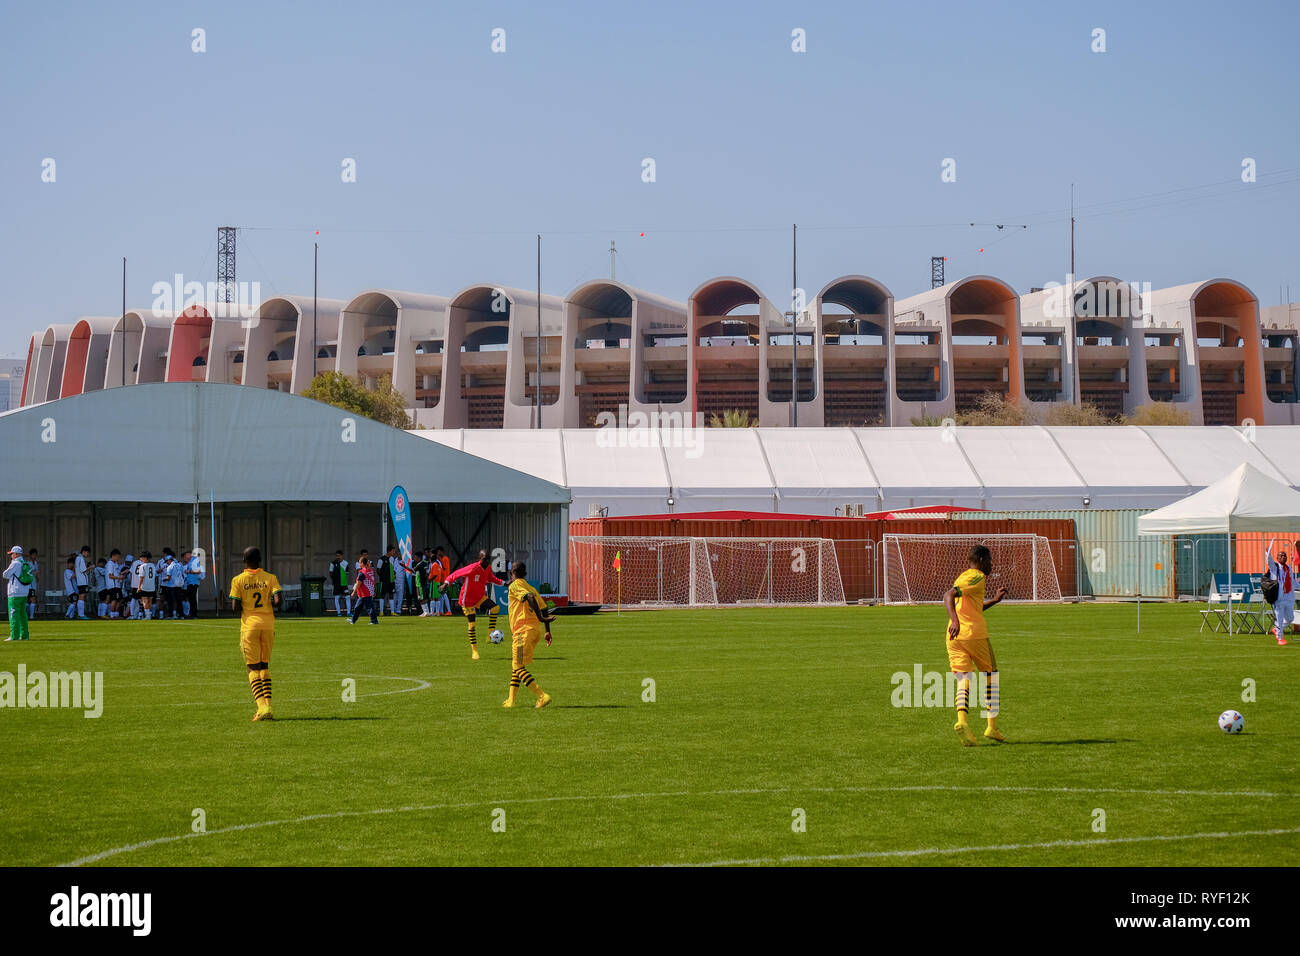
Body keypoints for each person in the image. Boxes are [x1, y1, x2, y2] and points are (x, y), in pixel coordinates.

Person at [943, 544, 1009, 746]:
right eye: (989, 560)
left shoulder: (964, 577)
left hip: (954, 637)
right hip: (973, 634)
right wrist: (956, 620)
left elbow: (973, 607)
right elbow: (948, 595)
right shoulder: (977, 576)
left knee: (963, 678)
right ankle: (992, 727)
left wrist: (995, 600)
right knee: (991, 676)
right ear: (981, 560)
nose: (991, 564)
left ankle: (962, 722)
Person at [228, 546, 282, 721]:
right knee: (264, 666)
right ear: (260, 560)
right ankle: (268, 707)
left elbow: (235, 608)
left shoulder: (238, 580)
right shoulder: (270, 578)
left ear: (244, 561)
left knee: (253, 668)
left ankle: (261, 707)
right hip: (268, 625)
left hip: (250, 626)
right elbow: (278, 601)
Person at [503, 561, 554, 709]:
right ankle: (511, 700)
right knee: (517, 666)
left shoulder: (515, 586)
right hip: (534, 631)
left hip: (522, 632)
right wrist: (547, 630)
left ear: (512, 573)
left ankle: (542, 696)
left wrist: (540, 617)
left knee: (518, 667)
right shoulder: (530, 586)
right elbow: (544, 607)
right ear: (525, 573)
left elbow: (530, 597)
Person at [446, 550, 504, 661]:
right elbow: (456, 573)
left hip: (479, 597)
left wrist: (504, 583)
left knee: (495, 608)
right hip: (467, 600)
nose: (487, 561)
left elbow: (491, 578)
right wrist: (447, 582)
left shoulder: (487, 568)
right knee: (472, 625)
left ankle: (490, 634)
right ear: (480, 558)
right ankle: (475, 650)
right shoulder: (473, 568)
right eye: (484, 559)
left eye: (488, 559)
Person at [1264, 539, 1294, 646]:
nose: (1283, 557)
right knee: (1280, 617)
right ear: (1277, 558)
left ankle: (1277, 629)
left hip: (1288, 597)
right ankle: (1280, 637)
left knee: (1290, 618)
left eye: (1284, 555)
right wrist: (1268, 552)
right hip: (1279, 597)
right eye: (1281, 556)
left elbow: (1293, 582)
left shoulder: (1288, 568)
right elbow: (1269, 560)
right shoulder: (1274, 567)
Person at [4, 546, 34, 641]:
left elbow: (5, 574)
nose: (11, 556)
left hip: (14, 592)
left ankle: (14, 636)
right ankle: (25, 635)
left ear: (16, 554)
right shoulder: (24, 563)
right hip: (24, 592)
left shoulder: (15, 563)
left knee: (13, 615)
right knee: (22, 615)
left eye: (12, 554)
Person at [350, 554, 379, 625]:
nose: (359, 564)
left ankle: (374, 621)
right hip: (368, 592)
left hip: (365, 593)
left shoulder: (362, 573)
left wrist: (354, 592)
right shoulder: (370, 570)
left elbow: (359, 583)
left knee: (369, 607)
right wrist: (373, 590)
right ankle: (353, 620)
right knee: (358, 607)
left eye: (360, 563)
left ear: (362, 563)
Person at [328, 550, 351, 617]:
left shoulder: (346, 563)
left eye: (339, 555)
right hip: (336, 584)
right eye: (337, 556)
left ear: (342, 556)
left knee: (347, 597)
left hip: (344, 583)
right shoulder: (333, 563)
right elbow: (330, 572)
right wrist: (334, 580)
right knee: (337, 598)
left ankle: (348, 613)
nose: (338, 557)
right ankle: (339, 613)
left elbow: (347, 573)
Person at [136, 550, 158, 619]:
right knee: (150, 600)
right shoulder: (153, 565)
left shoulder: (142, 566)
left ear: (146, 558)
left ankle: (147, 616)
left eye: (142, 557)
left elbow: (141, 577)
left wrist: (139, 587)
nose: (140, 559)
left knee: (144, 600)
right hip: (152, 586)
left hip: (145, 586)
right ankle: (150, 614)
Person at [182, 549, 204, 618]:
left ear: (190, 554)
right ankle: (191, 613)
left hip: (193, 582)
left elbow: (198, 571)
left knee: (192, 598)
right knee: (190, 598)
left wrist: (189, 572)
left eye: (186, 555)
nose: (185, 557)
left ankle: (194, 614)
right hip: (190, 582)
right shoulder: (190, 561)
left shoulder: (195, 560)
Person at [104, 550, 125, 619]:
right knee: (114, 600)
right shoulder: (110, 563)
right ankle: (113, 615)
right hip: (113, 585)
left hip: (117, 585)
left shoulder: (115, 563)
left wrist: (122, 574)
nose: (118, 559)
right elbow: (110, 576)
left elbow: (116, 573)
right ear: (113, 556)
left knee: (119, 600)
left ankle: (115, 614)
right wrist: (119, 577)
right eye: (117, 557)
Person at [74, 545, 91, 620]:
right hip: (82, 582)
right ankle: (81, 615)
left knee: (82, 597)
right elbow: (83, 570)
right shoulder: (80, 558)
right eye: (87, 553)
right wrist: (91, 567)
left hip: (82, 581)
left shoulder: (79, 558)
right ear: (84, 551)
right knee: (82, 597)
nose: (88, 554)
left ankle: (80, 614)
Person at [25, 548, 39, 619]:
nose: (34, 556)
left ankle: (29, 616)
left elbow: (37, 573)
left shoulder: (36, 563)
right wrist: (33, 573)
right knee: (30, 599)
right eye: (33, 555)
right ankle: (30, 616)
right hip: (28, 584)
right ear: (30, 556)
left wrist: (37, 578)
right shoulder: (27, 563)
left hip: (34, 584)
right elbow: (27, 573)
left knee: (31, 599)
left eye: (35, 555)